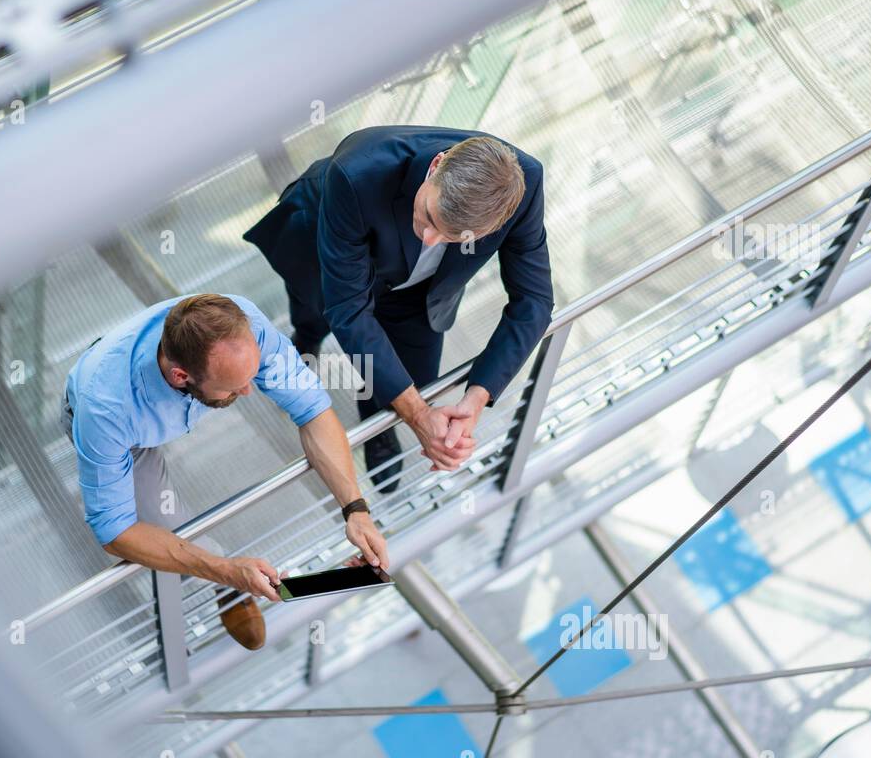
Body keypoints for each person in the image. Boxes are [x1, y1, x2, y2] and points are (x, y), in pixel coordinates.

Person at [60, 293, 389, 651]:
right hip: (121, 428)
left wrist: (355, 509)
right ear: (181, 376)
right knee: (164, 525)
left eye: (251, 374)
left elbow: (312, 410)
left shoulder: (240, 321)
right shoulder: (104, 411)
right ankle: (224, 586)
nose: (250, 390)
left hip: (154, 394)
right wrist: (225, 570)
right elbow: (114, 531)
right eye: (234, 387)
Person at [244, 125, 553, 493]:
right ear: (437, 165)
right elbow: (349, 309)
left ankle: (378, 422)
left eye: (452, 238)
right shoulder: (357, 171)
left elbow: (534, 300)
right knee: (316, 312)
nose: (430, 239)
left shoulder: (524, 186)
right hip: (326, 238)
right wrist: (418, 416)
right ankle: (306, 340)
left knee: (410, 379)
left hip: (420, 289)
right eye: (430, 216)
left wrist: (476, 397)